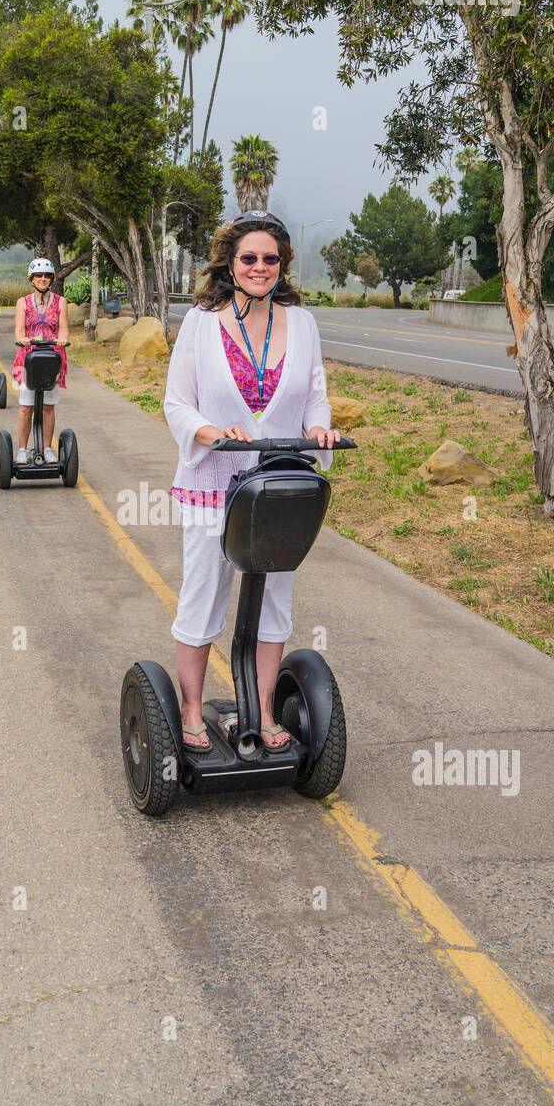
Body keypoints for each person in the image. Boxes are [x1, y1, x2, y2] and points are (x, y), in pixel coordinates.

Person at [163, 210, 341, 753]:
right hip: (216, 480)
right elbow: (176, 402)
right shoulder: (200, 321)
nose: (260, 266)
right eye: (249, 258)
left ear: (282, 264)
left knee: (274, 602)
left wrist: (320, 428)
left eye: (270, 258)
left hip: (279, 485)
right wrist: (213, 431)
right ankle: (192, 712)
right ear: (230, 264)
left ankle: (262, 711)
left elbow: (314, 395)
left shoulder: (303, 323)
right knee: (203, 595)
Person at [13, 257, 70, 463]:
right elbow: (19, 331)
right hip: (29, 358)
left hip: (52, 359)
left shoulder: (60, 301)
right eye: (39, 275)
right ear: (32, 278)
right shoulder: (23, 302)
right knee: (26, 407)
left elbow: (63, 330)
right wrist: (23, 339)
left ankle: (47, 448)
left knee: (48, 406)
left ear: (51, 278)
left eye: (47, 275)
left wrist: (63, 339)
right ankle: (21, 449)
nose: (43, 279)